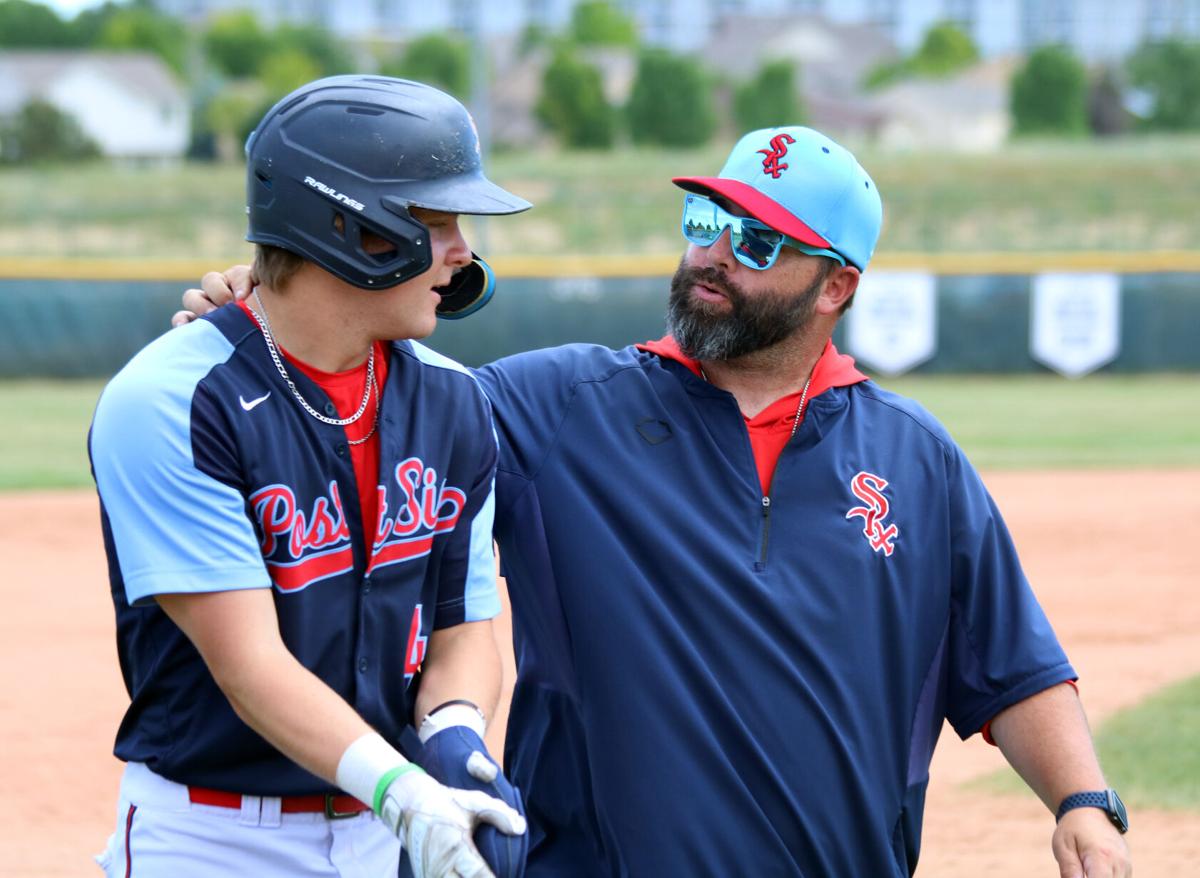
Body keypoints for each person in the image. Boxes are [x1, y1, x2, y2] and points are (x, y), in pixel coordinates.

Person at [178, 125, 1133, 876]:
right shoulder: (553, 405)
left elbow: (1012, 667)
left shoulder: (916, 461)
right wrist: (274, 311)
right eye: (707, 225)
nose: (714, 256)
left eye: (757, 241)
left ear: (836, 285)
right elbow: (370, 404)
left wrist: (1083, 803)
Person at [90, 76, 531, 878]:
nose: (465, 251)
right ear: (348, 227)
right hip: (212, 841)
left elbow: (464, 623)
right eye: (435, 221)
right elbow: (248, 665)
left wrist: (455, 742)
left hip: (382, 830)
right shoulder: (173, 401)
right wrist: (403, 790)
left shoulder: (454, 401)